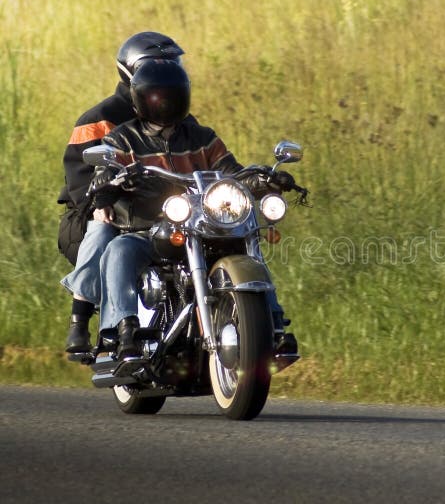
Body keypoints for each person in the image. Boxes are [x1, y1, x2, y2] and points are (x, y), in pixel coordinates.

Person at [92, 59, 285, 358]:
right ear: (140, 99)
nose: (165, 104)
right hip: (148, 228)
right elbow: (102, 176)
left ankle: (272, 323)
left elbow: (231, 171)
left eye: (172, 96)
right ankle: (124, 329)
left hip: (206, 224)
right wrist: (110, 178)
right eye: (157, 97)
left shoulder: (202, 137)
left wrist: (263, 178)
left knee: (250, 241)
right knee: (119, 250)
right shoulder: (122, 139)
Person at [59, 32, 186, 353]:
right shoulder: (97, 120)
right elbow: (80, 180)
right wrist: (102, 201)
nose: (168, 70)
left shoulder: (181, 121)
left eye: (173, 64)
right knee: (104, 230)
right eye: (159, 65)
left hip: (157, 211)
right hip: (94, 211)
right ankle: (81, 318)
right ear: (132, 71)